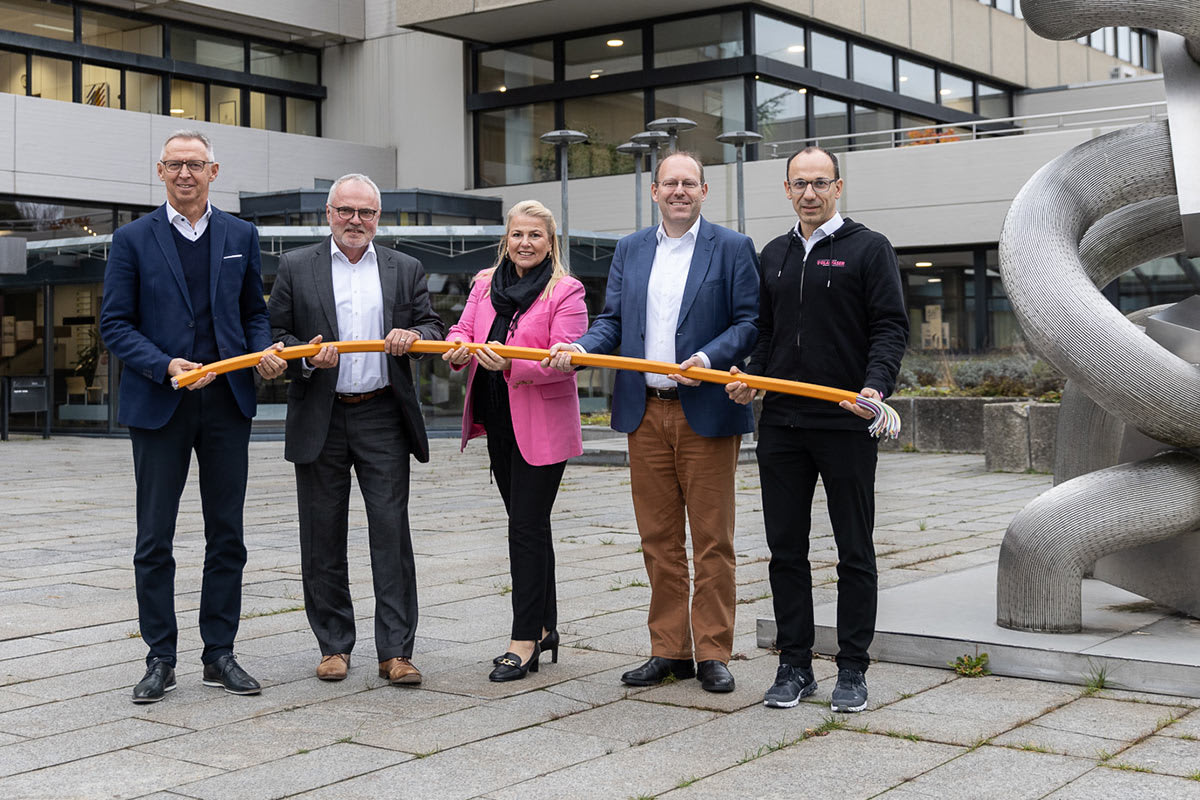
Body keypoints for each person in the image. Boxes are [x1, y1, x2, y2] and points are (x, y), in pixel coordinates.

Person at [547, 152, 759, 693]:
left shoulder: (732, 248)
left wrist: (710, 360)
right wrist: (580, 348)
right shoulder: (631, 249)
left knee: (713, 540)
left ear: (705, 191)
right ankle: (669, 649)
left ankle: (713, 651)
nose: (680, 191)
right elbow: (612, 321)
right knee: (658, 539)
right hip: (645, 413)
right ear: (654, 192)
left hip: (706, 412)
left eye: (690, 182)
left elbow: (749, 321)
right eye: (671, 183)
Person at [100, 130, 287, 704]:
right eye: (175, 164)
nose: (186, 173)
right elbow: (114, 326)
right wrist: (165, 365)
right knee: (154, 539)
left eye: (196, 164)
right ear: (160, 172)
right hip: (161, 403)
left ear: (214, 171)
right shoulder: (131, 239)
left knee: (226, 536)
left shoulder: (241, 234)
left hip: (227, 403)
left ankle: (219, 654)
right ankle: (160, 658)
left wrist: (263, 358)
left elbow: (254, 313)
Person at [726, 146, 908, 713]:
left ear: (838, 187)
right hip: (781, 422)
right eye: (799, 184)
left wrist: (874, 388)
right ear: (786, 190)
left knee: (854, 549)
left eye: (820, 183)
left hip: (845, 423)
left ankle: (852, 667)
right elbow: (765, 333)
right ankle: (794, 664)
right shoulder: (774, 254)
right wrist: (752, 379)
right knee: (786, 550)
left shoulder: (868, 248)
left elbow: (889, 328)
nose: (810, 193)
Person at [267, 173, 443, 686]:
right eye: (346, 211)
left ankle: (396, 651)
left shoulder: (403, 267)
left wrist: (414, 334)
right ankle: (334, 645)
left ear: (378, 218)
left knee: (391, 533)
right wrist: (304, 358)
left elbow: (434, 325)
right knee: (322, 534)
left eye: (366, 213)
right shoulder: (296, 267)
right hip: (321, 413)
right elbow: (275, 333)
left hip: (382, 413)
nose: (355, 221)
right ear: (328, 213)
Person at [443, 200, 588, 682]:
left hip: (542, 425)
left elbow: (563, 357)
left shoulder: (566, 290)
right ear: (506, 239)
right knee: (529, 524)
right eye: (517, 234)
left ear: (551, 243)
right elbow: (463, 328)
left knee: (524, 526)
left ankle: (522, 639)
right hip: (497, 420)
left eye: (536, 235)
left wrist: (511, 363)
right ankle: (545, 624)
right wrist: (457, 346)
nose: (525, 243)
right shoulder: (485, 282)